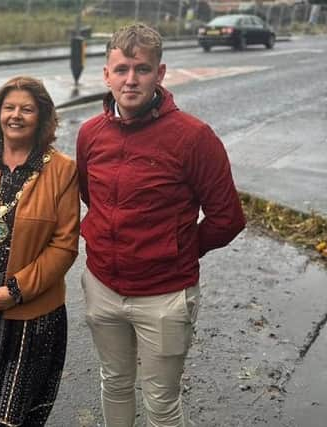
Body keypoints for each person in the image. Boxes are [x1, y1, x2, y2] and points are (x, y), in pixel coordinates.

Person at [76, 24, 246, 426]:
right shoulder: (90, 134)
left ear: (160, 73)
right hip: (103, 287)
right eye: (121, 70)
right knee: (114, 381)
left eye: (142, 69)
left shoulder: (193, 137)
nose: (131, 79)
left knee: (162, 402)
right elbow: (91, 196)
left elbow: (227, 218)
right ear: (106, 75)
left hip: (165, 296)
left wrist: (179, 247)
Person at [0, 76, 80, 426]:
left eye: (27, 109)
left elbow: (65, 245)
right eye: (9, 108)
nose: (16, 116)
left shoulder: (62, 170)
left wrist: (16, 291)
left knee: (14, 413)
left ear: (42, 117)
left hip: (31, 314)